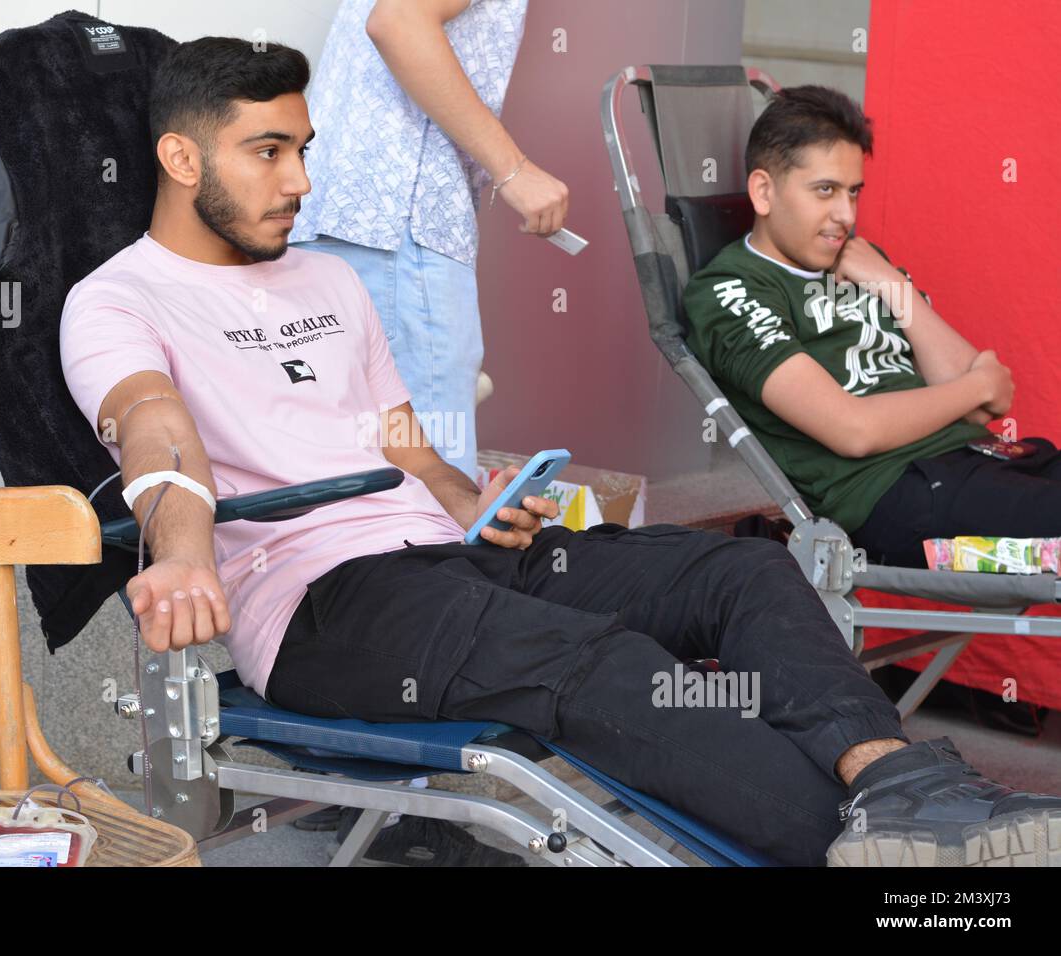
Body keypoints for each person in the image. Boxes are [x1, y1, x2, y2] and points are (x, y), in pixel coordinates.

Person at [60, 40, 1061, 867]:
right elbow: (157, 428)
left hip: (452, 558)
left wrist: (477, 499)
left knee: (741, 569)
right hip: (325, 603)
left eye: (303, 150)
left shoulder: (325, 279)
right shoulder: (117, 297)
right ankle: (872, 855)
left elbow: (401, 440)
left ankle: (898, 787)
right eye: (267, 152)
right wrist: (184, 549)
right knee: (598, 662)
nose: (300, 181)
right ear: (182, 160)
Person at [682, 85, 1061, 572]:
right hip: (893, 495)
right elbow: (852, 430)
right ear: (764, 191)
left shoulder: (862, 261)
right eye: (825, 190)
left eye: (853, 191)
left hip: (979, 460)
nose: (845, 215)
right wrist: (973, 387)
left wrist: (890, 284)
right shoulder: (730, 291)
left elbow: (992, 403)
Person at [289, 0, 568, 480]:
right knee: (434, 484)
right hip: (397, 224)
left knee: (343, 477)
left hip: (348, 215)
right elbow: (398, 22)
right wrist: (514, 169)